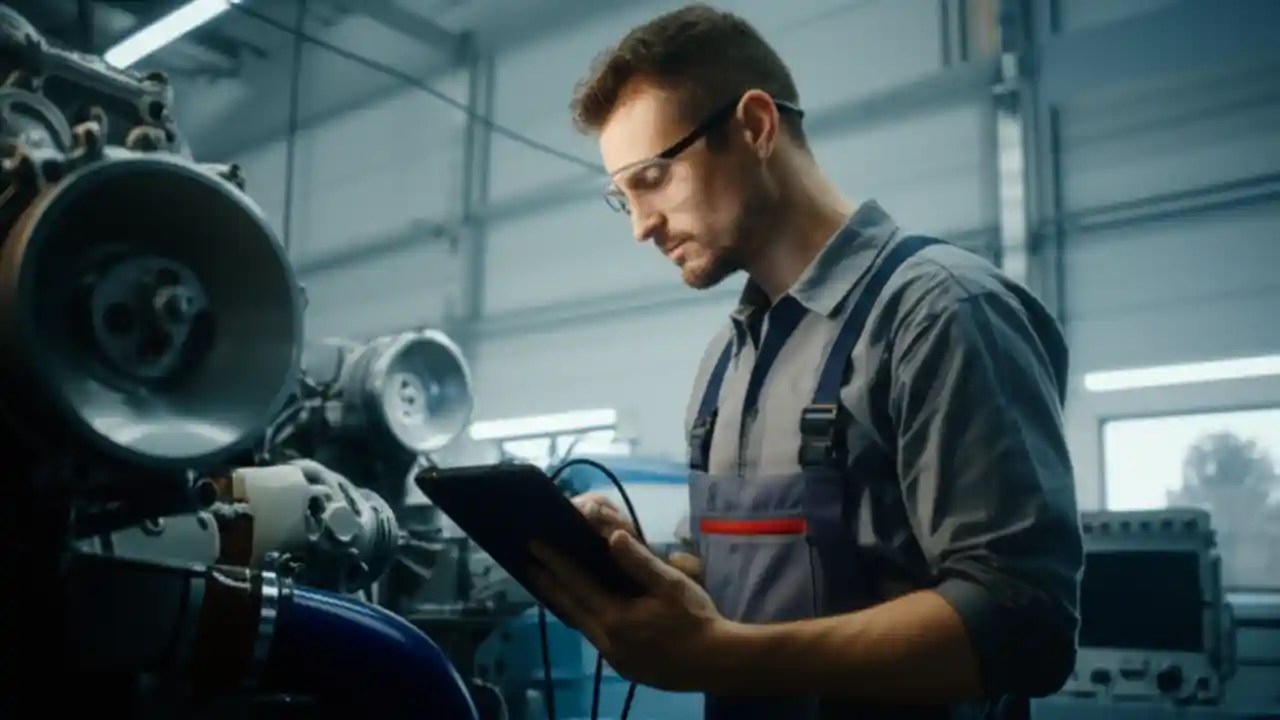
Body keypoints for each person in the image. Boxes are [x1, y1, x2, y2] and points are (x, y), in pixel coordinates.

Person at [528, 4, 1084, 719]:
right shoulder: (727, 361)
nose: (641, 226)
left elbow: (1022, 622)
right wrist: (637, 564)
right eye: (622, 198)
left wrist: (713, 657)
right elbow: (727, 580)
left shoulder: (941, 312)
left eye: (654, 177)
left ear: (755, 127)